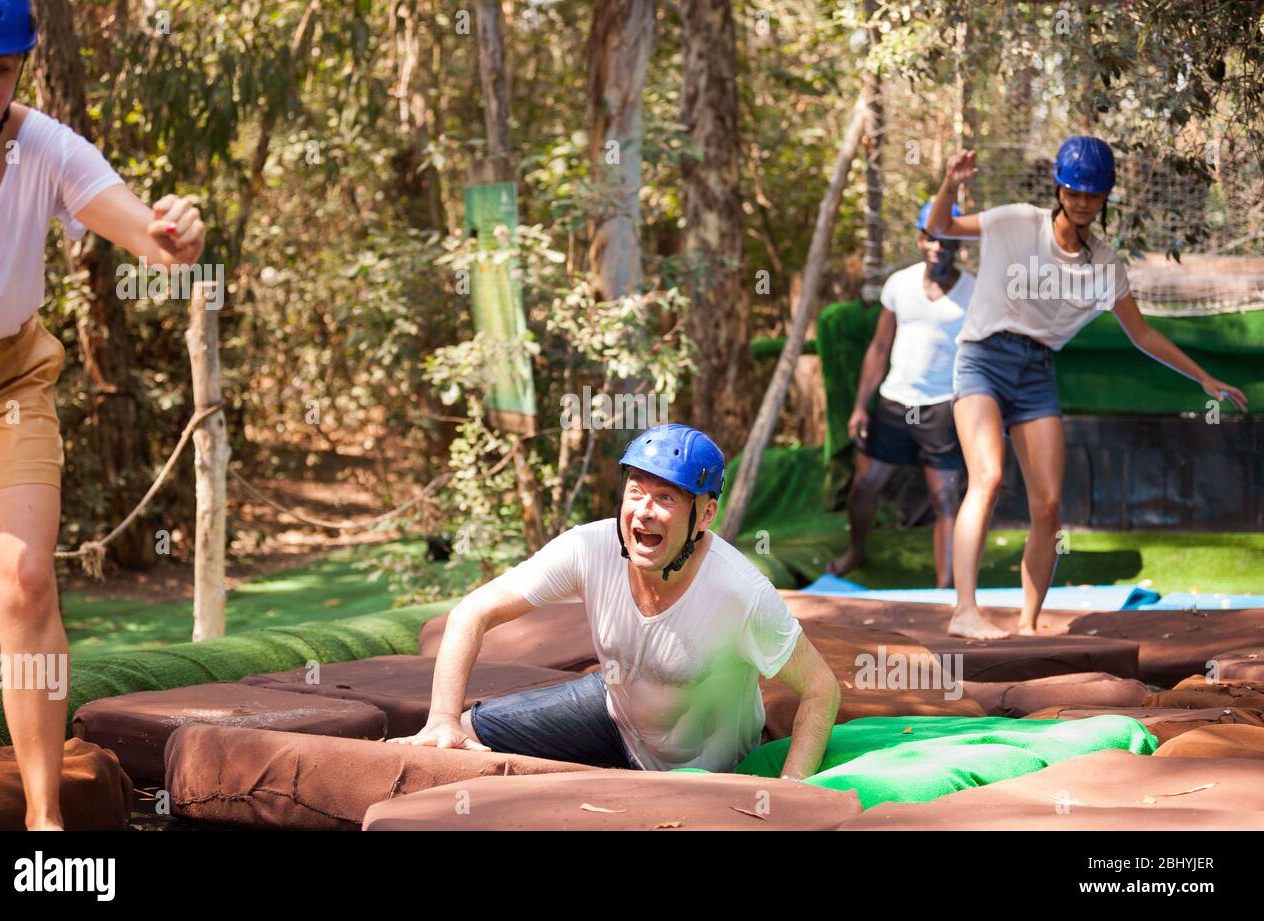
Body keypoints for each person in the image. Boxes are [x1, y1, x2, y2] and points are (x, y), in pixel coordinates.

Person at [0, 0, 205, 829]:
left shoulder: (45, 147)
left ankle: (43, 823)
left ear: (20, 67)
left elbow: (144, 231)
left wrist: (173, 234)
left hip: (4, 385)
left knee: (28, 581)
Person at [927, 137, 1248, 639]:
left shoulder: (1104, 265)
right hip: (983, 359)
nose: (1081, 202)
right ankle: (964, 610)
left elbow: (1143, 334)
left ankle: (1029, 624)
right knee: (987, 477)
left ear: (1104, 200)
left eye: (1092, 195)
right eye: (1073, 191)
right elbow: (940, 226)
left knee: (1049, 505)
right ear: (1059, 188)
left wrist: (1203, 377)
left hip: (1037, 372)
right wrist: (950, 181)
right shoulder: (1016, 221)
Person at [398, 423, 840, 778]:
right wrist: (442, 719)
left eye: (665, 497)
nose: (644, 510)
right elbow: (471, 613)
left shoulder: (740, 592)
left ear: (705, 515)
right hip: (614, 715)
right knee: (465, 735)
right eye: (636, 491)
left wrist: (791, 788)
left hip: (705, 767)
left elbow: (821, 689)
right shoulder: (587, 548)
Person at [829, 200, 973, 588]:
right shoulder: (900, 284)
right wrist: (861, 406)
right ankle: (856, 551)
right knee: (864, 486)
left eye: (946, 238)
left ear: (958, 241)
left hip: (944, 407)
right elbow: (879, 347)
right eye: (930, 237)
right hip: (894, 403)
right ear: (920, 238)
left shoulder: (973, 293)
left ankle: (945, 590)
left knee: (945, 498)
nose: (937, 246)